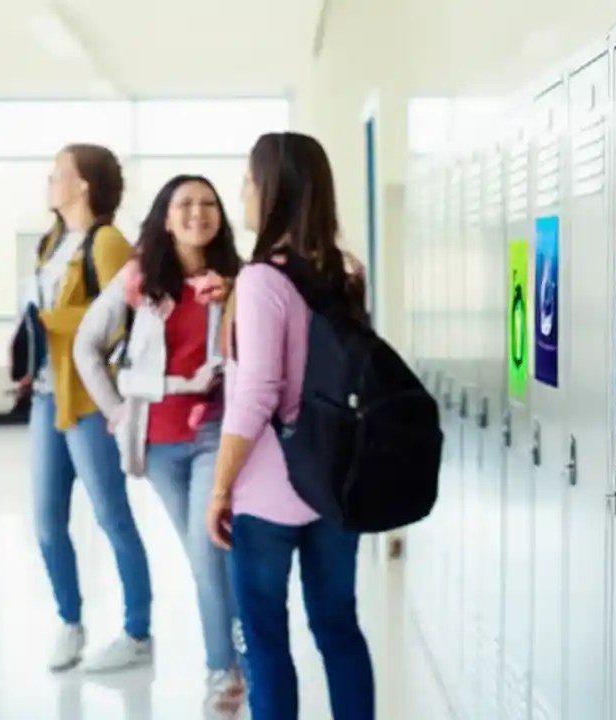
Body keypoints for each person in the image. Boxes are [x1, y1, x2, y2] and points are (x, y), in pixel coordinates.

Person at [206, 132, 375, 720]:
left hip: (266, 495)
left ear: (273, 191)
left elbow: (256, 393)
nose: (242, 193)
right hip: (332, 484)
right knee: (339, 628)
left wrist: (222, 486)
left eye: (250, 182)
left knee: (266, 640)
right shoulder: (348, 273)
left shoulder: (260, 282)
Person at [74, 174, 245, 708]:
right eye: (185, 204)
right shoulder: (139, 278)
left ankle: (223, 668)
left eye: (209, 203)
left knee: (206, 550)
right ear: (165, 219)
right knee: (206, 554)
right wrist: (118, 412)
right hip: (159, 446)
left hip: (216, 432)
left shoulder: (238, 280)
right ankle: (235, 649)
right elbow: (87, 347)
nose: (198, 212)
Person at [29, 144, 152, 673]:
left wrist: (52, 323)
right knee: (46, 522)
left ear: (82, 185)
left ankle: (137, 631)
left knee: (110, 515)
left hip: (89, 400)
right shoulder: (52, 240)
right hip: (44, 394)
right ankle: (69, 622)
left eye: (59, 173)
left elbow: (126, 319)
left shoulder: (108, 243)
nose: (50, 180)